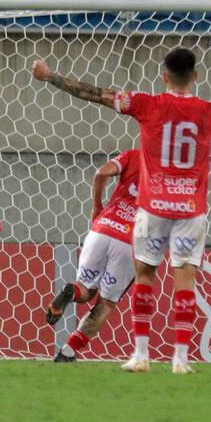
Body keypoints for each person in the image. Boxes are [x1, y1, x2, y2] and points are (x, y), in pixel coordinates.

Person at [33, 48, 211, 374]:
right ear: (195, 77)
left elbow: (95, 93)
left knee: (144, 278)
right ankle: (180, 359)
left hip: (152, 209)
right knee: (185, 283)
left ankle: (141, 356)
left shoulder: (146, 103)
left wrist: (51, 76)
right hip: (189, 211)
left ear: (164, 76)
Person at [44, 148, 141, 362]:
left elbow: (100, 173)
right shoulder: (171, 173)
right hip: (129, 241)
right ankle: (68, 352)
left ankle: (71, 290)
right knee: (105, 303)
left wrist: (97, 206)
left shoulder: (134, 155)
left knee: (85, 288)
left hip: (102, 229)